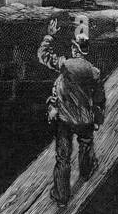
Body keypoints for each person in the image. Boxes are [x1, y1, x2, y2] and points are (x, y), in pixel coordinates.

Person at [37, 16, 106, 203]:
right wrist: (98, 119)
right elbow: (100, 99)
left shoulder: (65, 65)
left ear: (74, 48)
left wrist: (49, 37)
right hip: (85, 119)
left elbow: (43, 56)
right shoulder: (94, 71)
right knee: (86, 144)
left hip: (65, 119)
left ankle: (61, 194)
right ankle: (86, 171)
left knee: (63, 157)